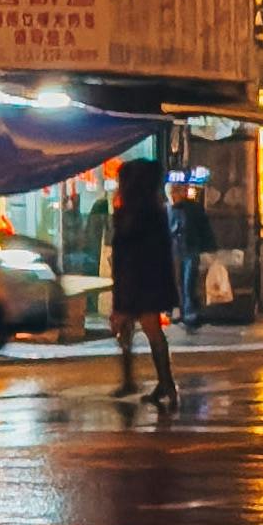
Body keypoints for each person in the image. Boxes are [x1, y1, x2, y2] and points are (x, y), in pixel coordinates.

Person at [106, 139, 179, 402]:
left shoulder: (135, 214)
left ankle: (155, 383)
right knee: (142, 329)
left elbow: (129, 252)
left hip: (137, 282)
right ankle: (160, 382)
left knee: (138, 328)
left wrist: (122, 295)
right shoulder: (153, 210)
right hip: (147, 281)